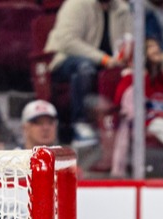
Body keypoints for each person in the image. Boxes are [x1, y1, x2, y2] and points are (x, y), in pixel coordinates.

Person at [44, 0, 132, 145]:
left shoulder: (122, 9)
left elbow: (130, 39)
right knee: (85, 68)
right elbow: (67, 41)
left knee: (132, 72)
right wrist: (103, 59)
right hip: (67, 58)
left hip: (110, 63)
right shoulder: (76, 4)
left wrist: (125, 57)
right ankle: (80, 124)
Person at [111, 36, 163, 177]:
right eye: (150, 47)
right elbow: (122, 108)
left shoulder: (161, 80)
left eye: (157, 46)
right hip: (142, 126)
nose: (156, 49)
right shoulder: (131, 78)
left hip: (162, 122)